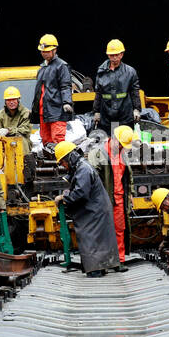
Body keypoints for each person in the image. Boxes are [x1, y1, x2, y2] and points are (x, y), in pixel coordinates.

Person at [53, 141, 117, 278]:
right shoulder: (81, 167)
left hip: (95, 211)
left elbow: (81, 192)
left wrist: (64, 198)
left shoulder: (83, 169)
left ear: (69, 157)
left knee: (90, 239)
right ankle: (98, 268)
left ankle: (95, 270)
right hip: (96, 209)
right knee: (95, 240)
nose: (63, 166)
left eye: (62, 162)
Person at [88, 124, 134, 271]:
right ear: (113, 139)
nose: (121, 147)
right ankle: (103, 262)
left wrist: (130, 194)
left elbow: (128, 176)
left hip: (119, 199)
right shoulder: (98, 153)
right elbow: (92, 179)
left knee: (119, 230)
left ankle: (118, 261)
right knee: (102, 231)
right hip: (104, 199)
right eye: (120, 144)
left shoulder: (122, 153)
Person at [92, 39, 141, 131]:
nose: (114, 57)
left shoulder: (130, 72)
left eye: (117, 55)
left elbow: (135, 92)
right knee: (112, 143)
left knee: (125, 142)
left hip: (124, 116)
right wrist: (96, 111)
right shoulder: (101, 72)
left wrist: (137, 109)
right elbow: (98, 93)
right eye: (112, 55)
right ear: (108, 55)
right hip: (107, 116)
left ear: (121, 54)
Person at [34, 34, 74, 147]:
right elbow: (39, 92)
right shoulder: (42, 68)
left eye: (47, 51)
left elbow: (65, 86)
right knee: (46, 141)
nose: (44, 53)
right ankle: (50, 163)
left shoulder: (61, 66)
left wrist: (67, 102)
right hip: (44, 112)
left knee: (58, 140)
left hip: (57, 111)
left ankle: (61, 164)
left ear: (55, 50)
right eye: (43, 51)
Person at [0, 86, 33, 164]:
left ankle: (25, 164)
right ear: (5, 101)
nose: (11, 102)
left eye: (14, 99)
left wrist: (8, 130)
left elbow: (25, 129)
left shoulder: (26, 112)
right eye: (8, 100)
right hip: (5, 141)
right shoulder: (0, 114)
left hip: (22, 142)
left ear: (18, 100)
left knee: (21, 139)